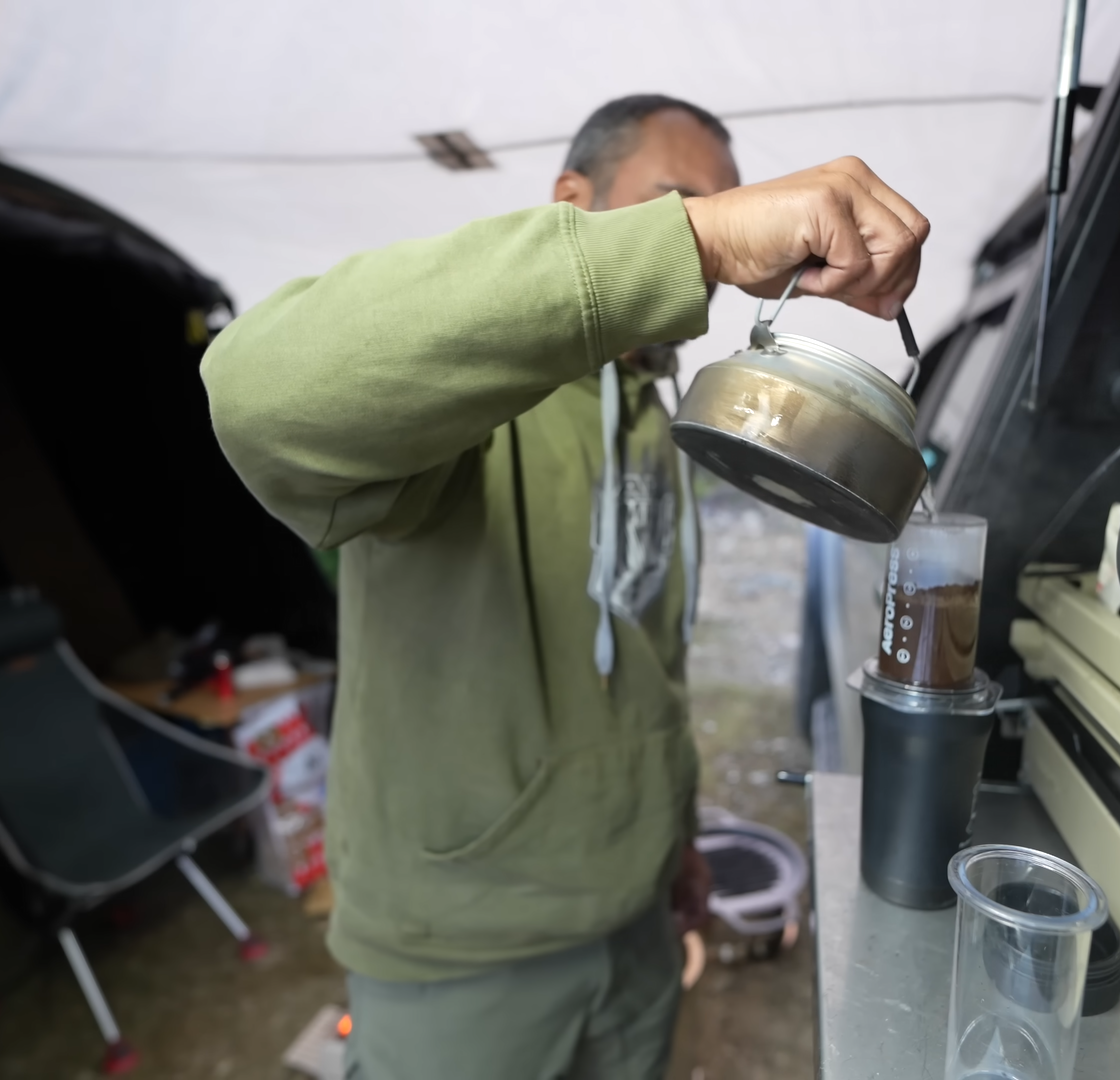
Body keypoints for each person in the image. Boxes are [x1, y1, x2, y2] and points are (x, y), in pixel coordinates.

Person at [202, 94, 927, 1079]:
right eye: (676, 202)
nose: (719, 249)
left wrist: (672, 839)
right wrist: (699, 240)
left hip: (634, 925)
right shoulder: (457, 396)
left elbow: (648, 653)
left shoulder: (660, 417)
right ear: (571, 201)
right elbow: (256, 394)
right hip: (463, 959)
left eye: (723, 208)